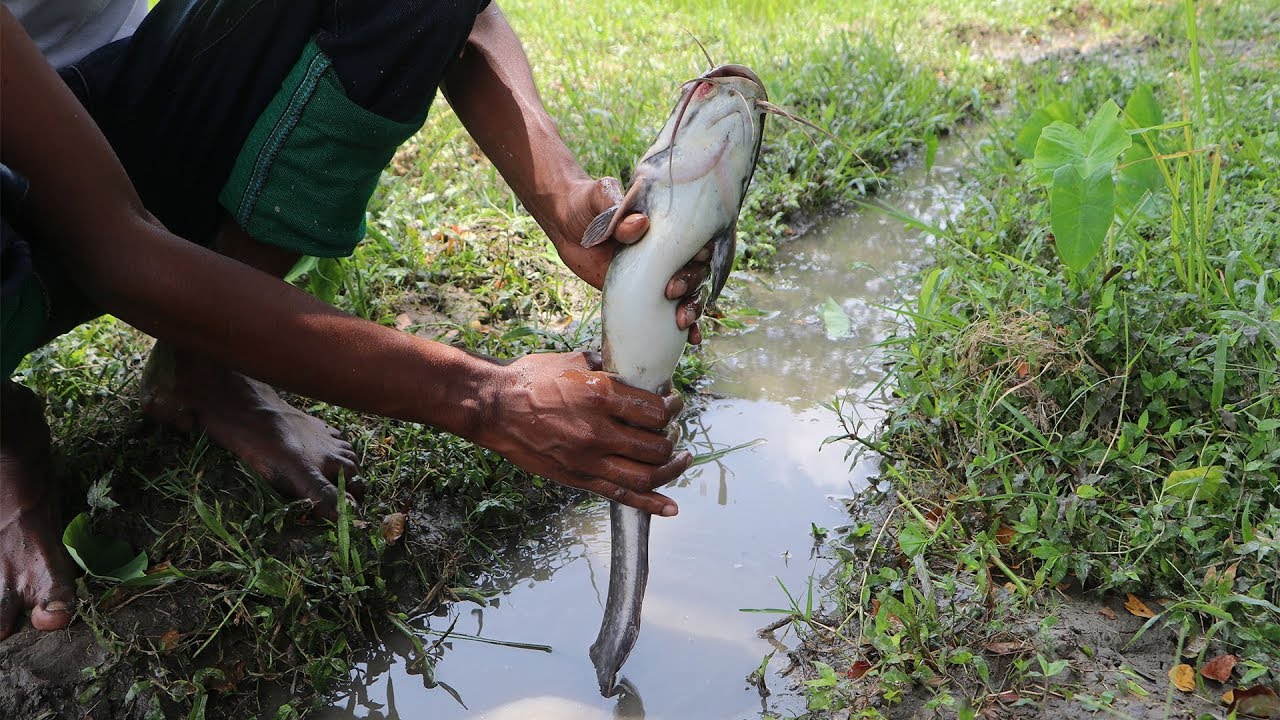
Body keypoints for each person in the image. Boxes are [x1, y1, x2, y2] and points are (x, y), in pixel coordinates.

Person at [0, 1, 711, 640]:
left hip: (111, 103)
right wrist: (489, 400)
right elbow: (114, 250)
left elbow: (462, 16)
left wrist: (564, 198)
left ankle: (207, 363)